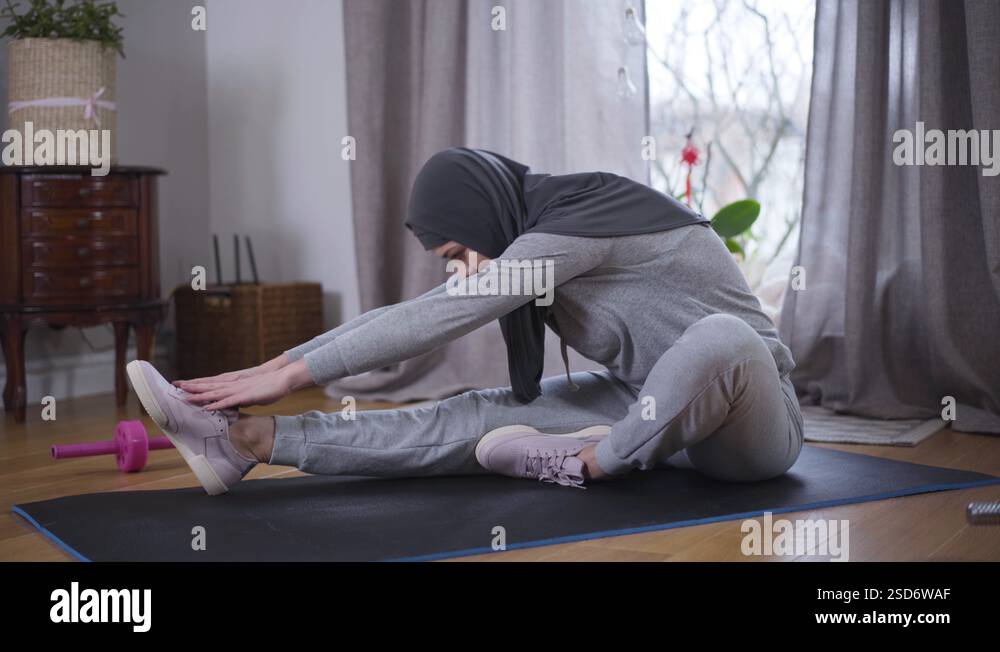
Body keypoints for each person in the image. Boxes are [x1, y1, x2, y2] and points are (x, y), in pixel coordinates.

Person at [126, 147, 803, 496]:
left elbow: (440, 319)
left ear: (484, 213)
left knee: (724, 338)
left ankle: (593, 464)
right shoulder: (533, 228)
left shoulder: (576, 226)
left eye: (461, 252)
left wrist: (294, 370)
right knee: (477, 414)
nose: (467, 270)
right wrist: (273, 375)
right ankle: (245, 445)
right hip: (649, 405)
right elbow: (416, 311)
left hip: (751, 425)